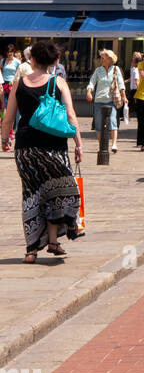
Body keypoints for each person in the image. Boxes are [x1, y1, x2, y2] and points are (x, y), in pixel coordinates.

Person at [0, 40, 82, 262]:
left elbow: (8, 117)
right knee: (59, 192)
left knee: (31, 194)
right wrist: (79, 144)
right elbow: (71, 116)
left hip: (25, 147)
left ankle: (32, 249)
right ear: (55, 61)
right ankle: (54, 241)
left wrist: (4, 139)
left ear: (32, 59)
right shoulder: (59, 83)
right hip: (54, 146)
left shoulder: (19, 83)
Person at [86, 49, 127, 154]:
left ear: (109, 59)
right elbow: (92, 82)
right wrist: (89, 92)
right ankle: (102, 145)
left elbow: (121, 84)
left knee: (113, 121)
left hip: (111, 100)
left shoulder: (115, 69)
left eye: (103, 57)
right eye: (101, 57)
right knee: (98, 124)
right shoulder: (98, 70)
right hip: (98, 100)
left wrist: (124, 96)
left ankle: (114, 144)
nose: (101, 59)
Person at [2, 43, 21, 146]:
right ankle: (7, 130)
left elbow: (19, 74)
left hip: (13, 85)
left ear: (13, 52)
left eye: (11, 52)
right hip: (4, 85)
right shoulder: (3, 61)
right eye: (8, 52)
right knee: (4, 108)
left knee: (12, 109)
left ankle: (12, 131)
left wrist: (15, 82)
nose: (9, 54)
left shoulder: (17, 62)